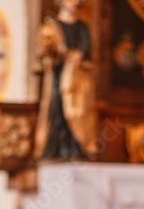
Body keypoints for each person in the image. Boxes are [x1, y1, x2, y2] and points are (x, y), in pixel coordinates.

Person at [34, 0, 97, 161]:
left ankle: (75, 148)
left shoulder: (82, 26)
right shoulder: (52, 26)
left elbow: (87, 47)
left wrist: (79, 55)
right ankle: (55, 149)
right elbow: (46, 49)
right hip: (58, 74)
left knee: (76, 112)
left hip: (76, 78)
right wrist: (46, 50)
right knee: (57, 112)